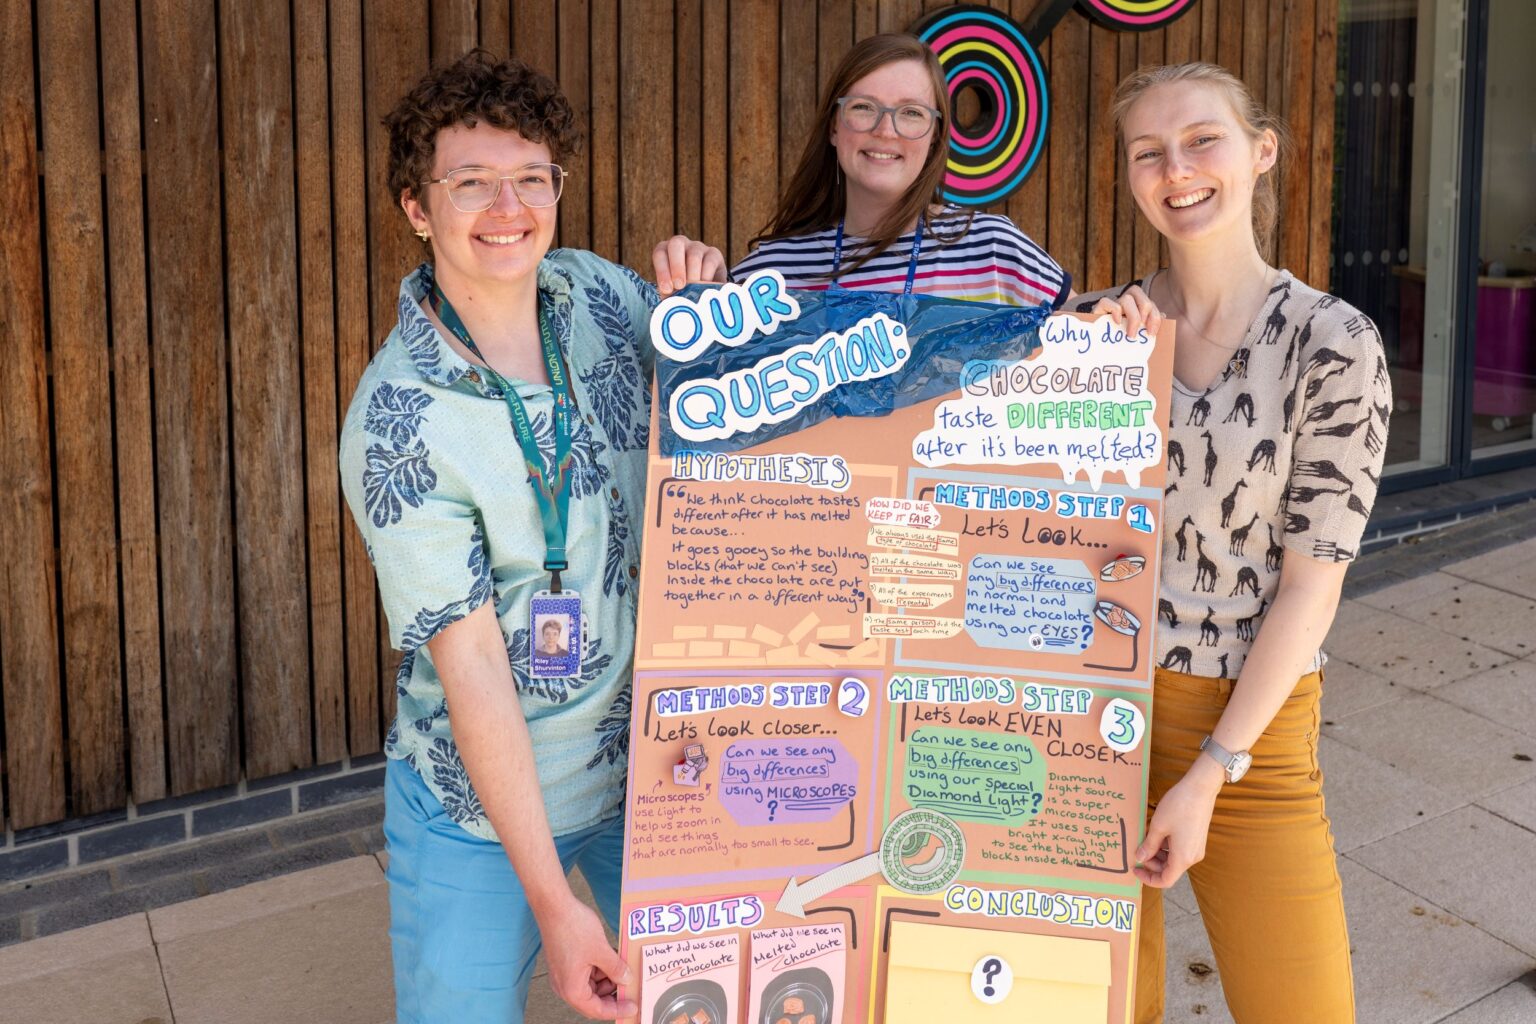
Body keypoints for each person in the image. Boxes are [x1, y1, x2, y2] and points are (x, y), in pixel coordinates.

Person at [339, 50, 720, 1023]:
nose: (507, 206)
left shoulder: (599, 296)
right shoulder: (397, 424)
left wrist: (705, 309)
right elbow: (470, 675)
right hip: (485, 803)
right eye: (470, 181)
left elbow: (720, 416)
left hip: (654, 769)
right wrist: (554, 903)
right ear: (417, 207)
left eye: (531, 178)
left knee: (720, 999)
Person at [1074, 63, 1391, 1023]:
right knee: (1096, 1004)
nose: (1177, 168)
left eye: (1201, 139)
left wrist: (1213, 769)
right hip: (1087, 716)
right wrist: (1093, 373)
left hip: (1249, 734)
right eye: (1148, 151)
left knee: (1305, 1006)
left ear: (1260, 152)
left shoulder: (1333, 343)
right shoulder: (1096, 330)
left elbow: (1311, 588)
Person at [652, 32, 1158, 334]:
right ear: (834, 126)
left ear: (935, 137)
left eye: (911, 113)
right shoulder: (769, 273)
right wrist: (705, 296)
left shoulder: (994, 250)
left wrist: (1117, 319)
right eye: (864, 108)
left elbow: (1081, 340)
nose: (885, 130)